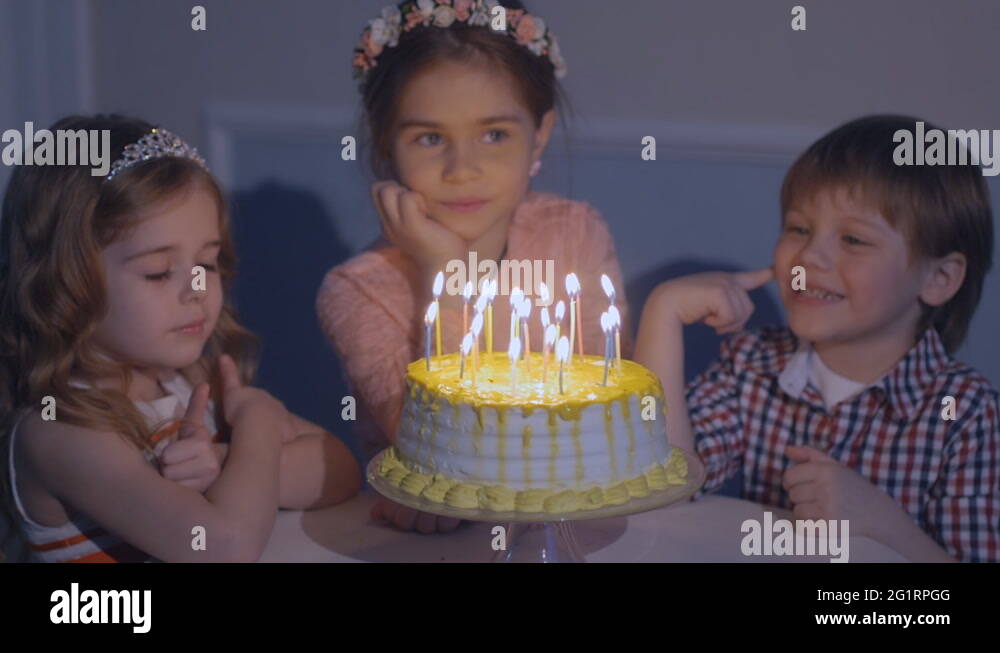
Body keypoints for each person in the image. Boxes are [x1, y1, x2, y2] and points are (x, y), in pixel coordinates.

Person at [317, 0, 631, 532]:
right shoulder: (357, 291)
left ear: (541, 133)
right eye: (430, 138)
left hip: (573, 528)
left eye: (494, 135)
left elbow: (602, 418)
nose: (462, 170)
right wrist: (445, 268)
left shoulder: (574, 234)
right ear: (387, 144)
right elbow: (453, 447)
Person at [636, 115, 998, 562]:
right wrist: (663, 311)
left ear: (939, 277)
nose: (809, 256)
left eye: (853, 239)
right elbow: (659, 488)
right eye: (799, 229)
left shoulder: (968, 416)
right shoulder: (750, 363)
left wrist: (884, 525)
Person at [0, 115, 360, 562]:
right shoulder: (61, 431)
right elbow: (224, 548)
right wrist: (259, 426)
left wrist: (224, 462)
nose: (197, 290)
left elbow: (338, 471)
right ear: (66, 284)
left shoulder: (187, 380)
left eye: (207, 264)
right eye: (158, 272)